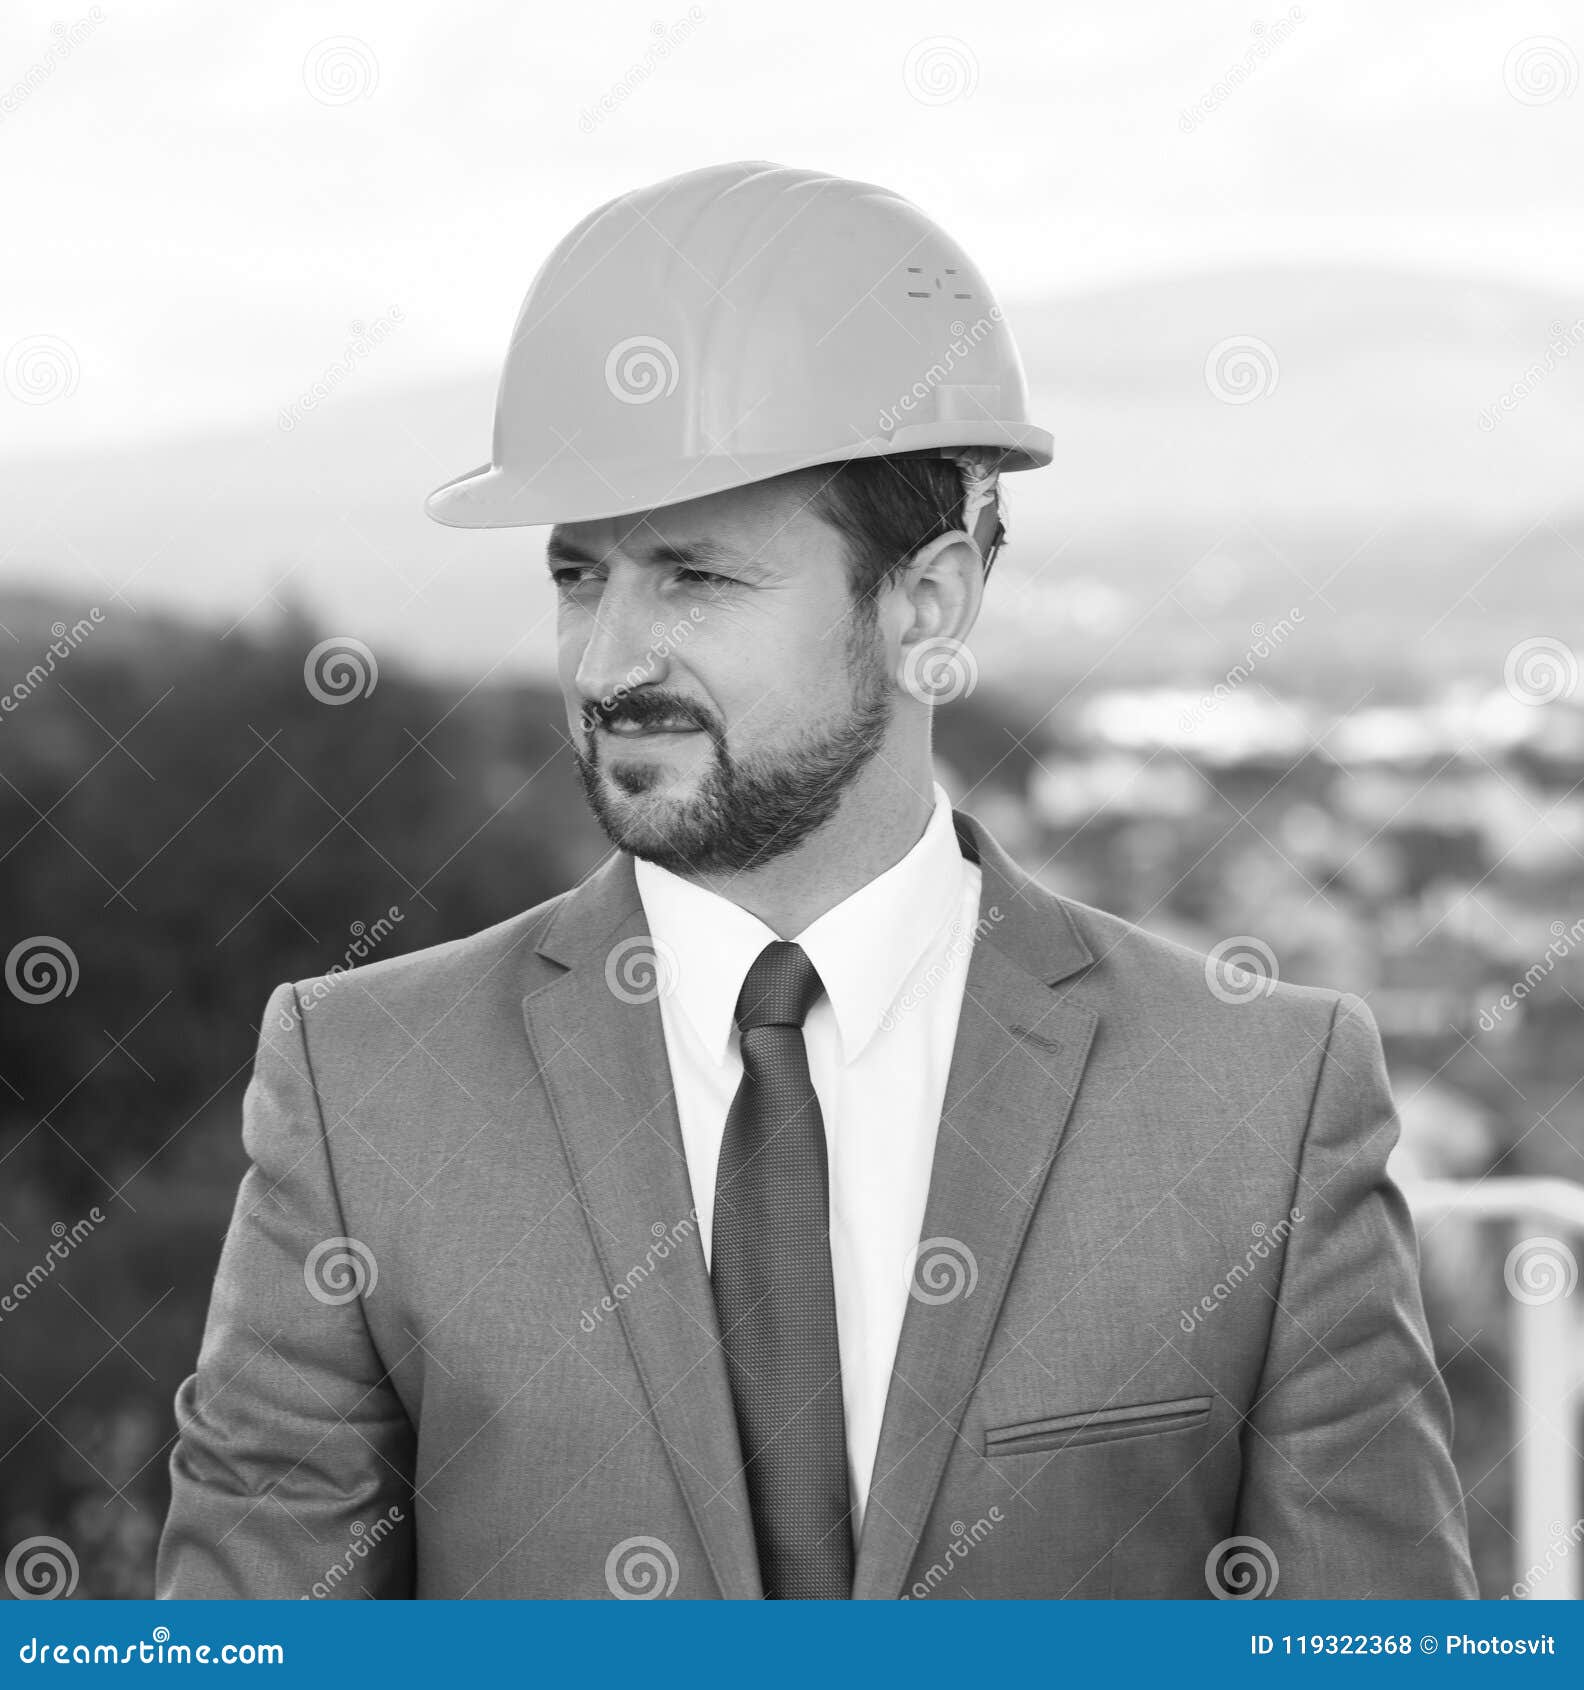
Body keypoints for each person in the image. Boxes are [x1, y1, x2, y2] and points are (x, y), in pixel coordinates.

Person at [156, 161, 1476, 1601]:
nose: (607, 664)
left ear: (927, 605)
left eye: (697, 579)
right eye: (579, 575)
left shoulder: (1264, 1101)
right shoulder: (365, 1089)